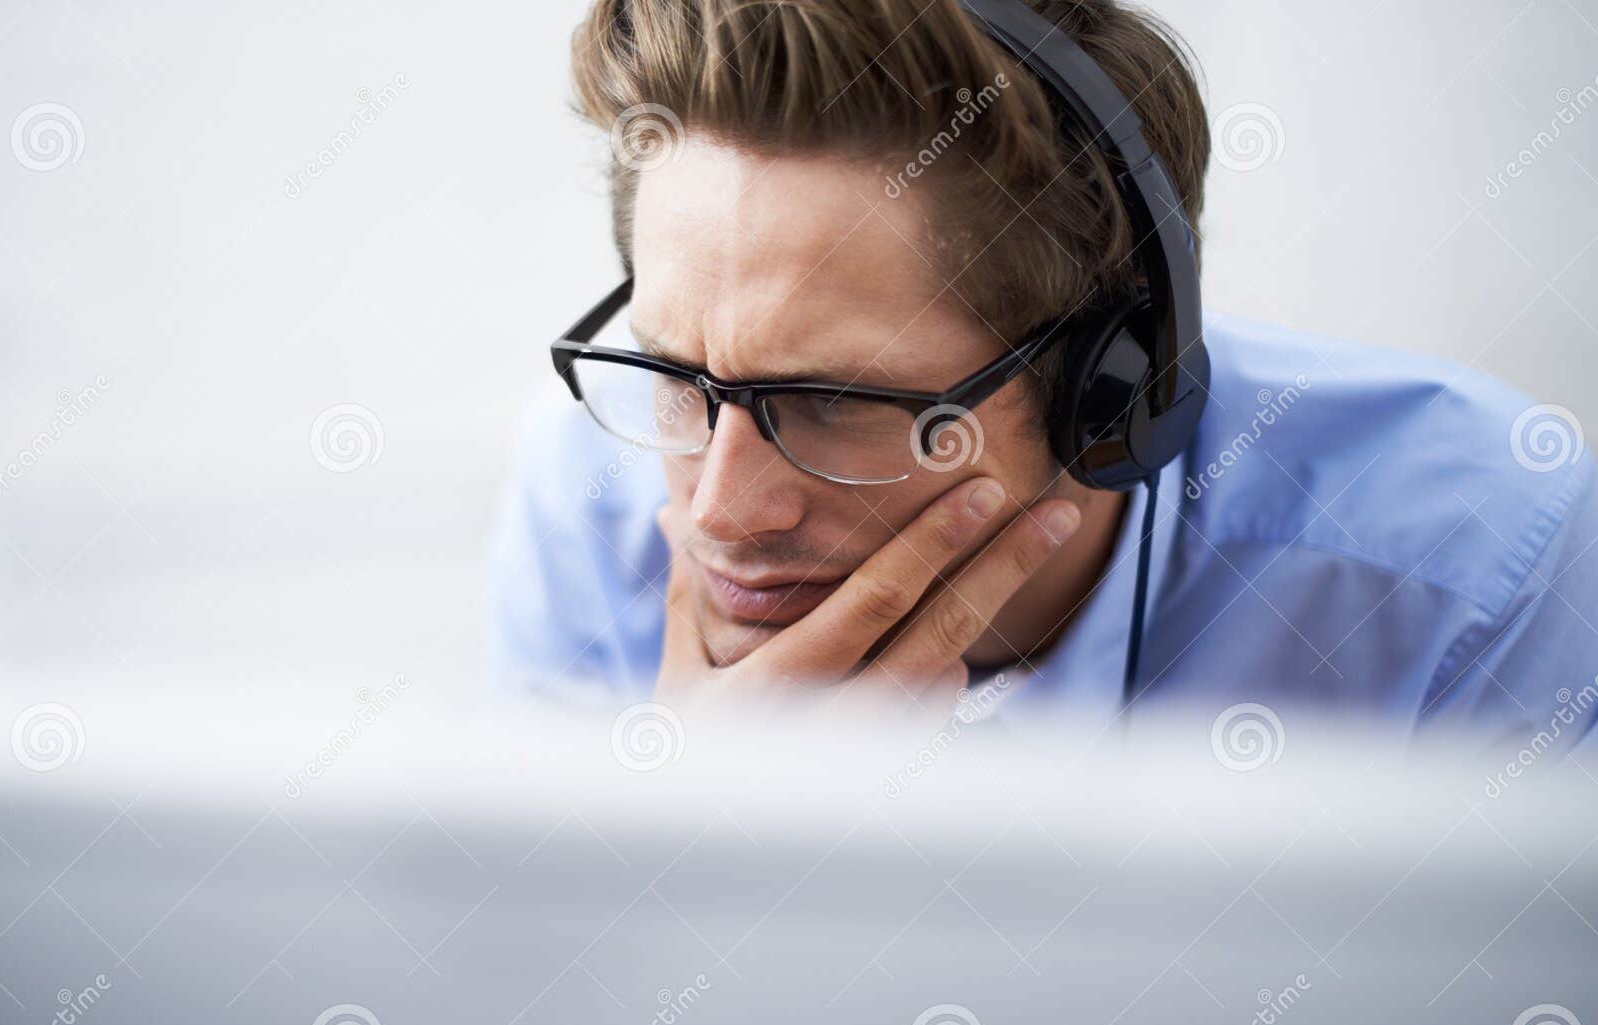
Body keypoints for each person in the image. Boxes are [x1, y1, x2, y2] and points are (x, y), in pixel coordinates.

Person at [490, 0, 1598, 761]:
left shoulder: (1478, 562)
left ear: (1110, 394)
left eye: (832, 401)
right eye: (677, 374)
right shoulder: (588, 485)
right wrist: (694, 842)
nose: (719, 511)